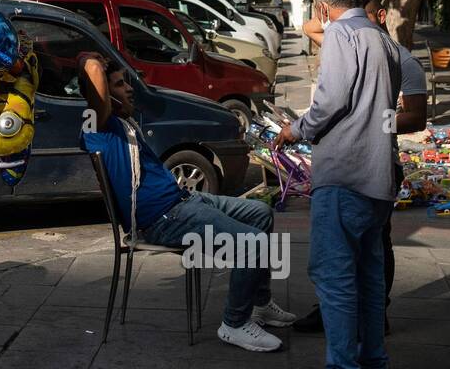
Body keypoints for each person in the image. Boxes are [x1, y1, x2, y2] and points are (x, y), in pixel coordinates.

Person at [78, 53, 295, 352]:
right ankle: (234, 323)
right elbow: (91, 71)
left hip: (185, 200)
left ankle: (259, 304)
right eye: (118, 85)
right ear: (102, 95)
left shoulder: (122, 124)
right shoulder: (98, 128)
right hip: (163, 219)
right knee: (254, 243)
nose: (129, 89)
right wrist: (91, 59)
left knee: (260, 213)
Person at [277, 0, 401, 369]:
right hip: (377, 177)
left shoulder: (341, 34)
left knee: (334, 278)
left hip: (345, 175)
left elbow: (329, 102)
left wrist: (295, 130)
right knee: (367, 279)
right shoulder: (382, 38)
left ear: (324, 8)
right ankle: (371, 368)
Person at [291, 0, 429, 335]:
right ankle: (361, 347)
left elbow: (416, 118)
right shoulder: (358, 41)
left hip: (369, 167)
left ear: (381, 18)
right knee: (355, 260)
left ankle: (349, 363)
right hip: (361, 167)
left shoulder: (398, 58)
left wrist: (374, 120)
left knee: (361, 257)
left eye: (366, 17)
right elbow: (312, 27)